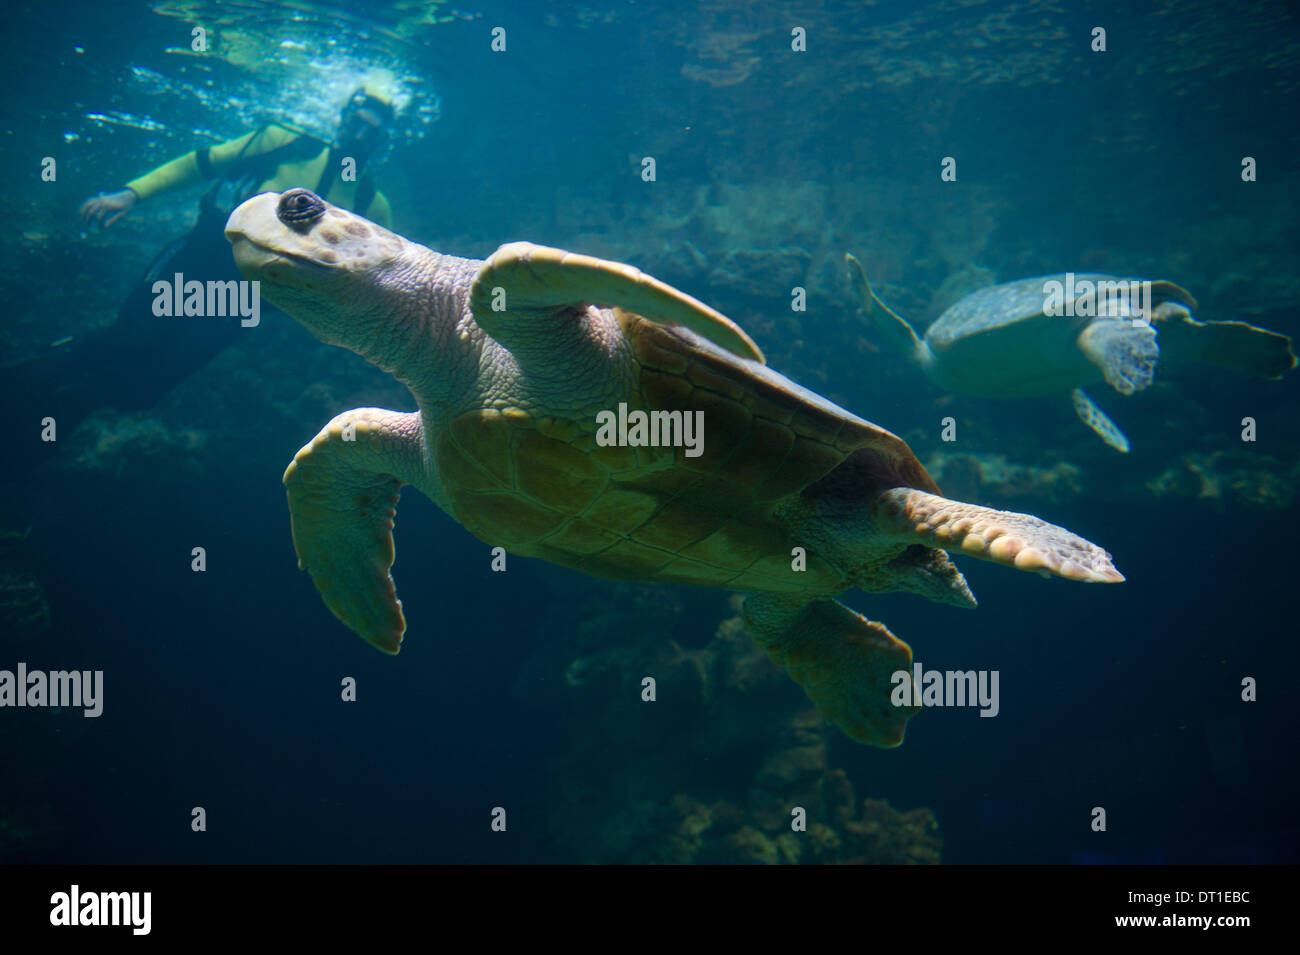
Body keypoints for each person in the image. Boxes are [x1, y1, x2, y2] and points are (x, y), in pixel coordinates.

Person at [6, 86, 397, 446]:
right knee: (122, 344)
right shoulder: (284, 143)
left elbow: (364, 281)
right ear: (342, 119)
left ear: (383, 143)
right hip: (196, 266)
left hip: (243, 305)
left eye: (372, 133)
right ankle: (21, 392)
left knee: (142, 389)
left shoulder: (373, 205)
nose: (360, 137)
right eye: (356, 124)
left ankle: (34, 435)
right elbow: (201, 164)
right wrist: (132, 193)